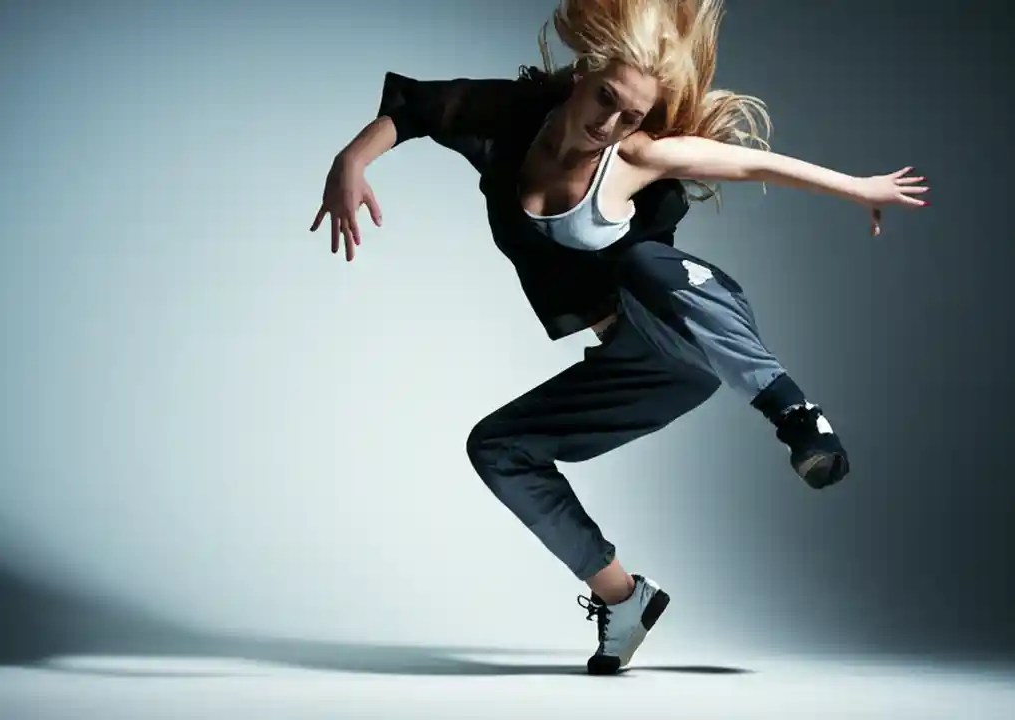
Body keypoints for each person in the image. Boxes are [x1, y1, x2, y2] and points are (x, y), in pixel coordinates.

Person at [309, 0, 929, 675]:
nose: (609, 123)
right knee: (497, 448)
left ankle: (797, 415)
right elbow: (416, 112)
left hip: (686, 317)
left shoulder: (635, 156)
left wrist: (858, 187)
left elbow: (752, 166)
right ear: (583, 74)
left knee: (641, 261)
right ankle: (624, 599)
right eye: (605, 99)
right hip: (639, 370)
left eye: (629, 115)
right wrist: (350, 160)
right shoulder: (510, 119)